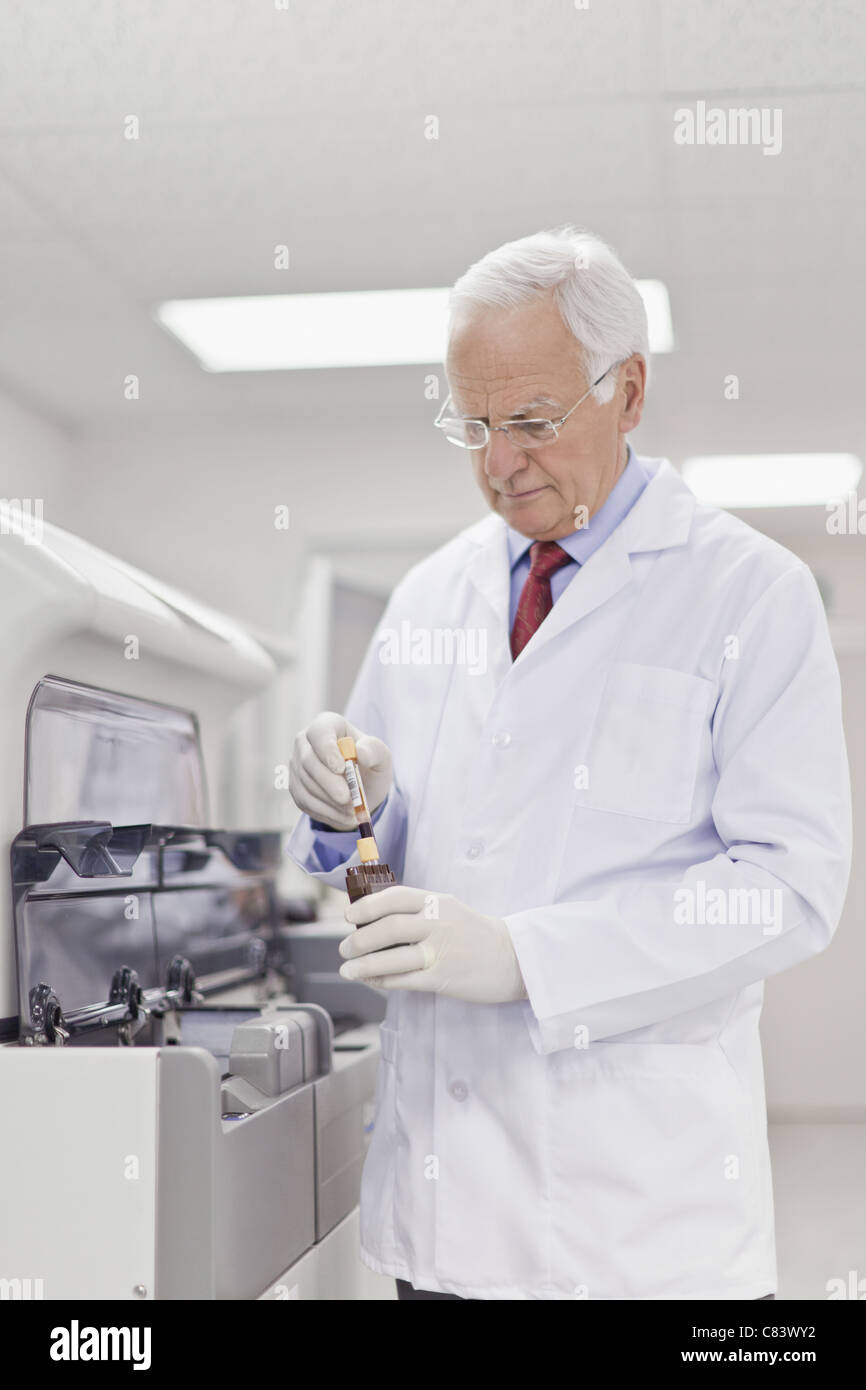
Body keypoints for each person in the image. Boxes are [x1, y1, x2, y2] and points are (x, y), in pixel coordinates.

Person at [287, 227, 852, 1301]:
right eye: (473, 424)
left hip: (633, 1233)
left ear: (627, 389)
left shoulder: (747, 593)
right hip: (440, 1228)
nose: (499, 462)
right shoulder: (429, 596)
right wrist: (344, 804)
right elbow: (382, 842)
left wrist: (526, 957)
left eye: (533, 421)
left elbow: (786, 887)